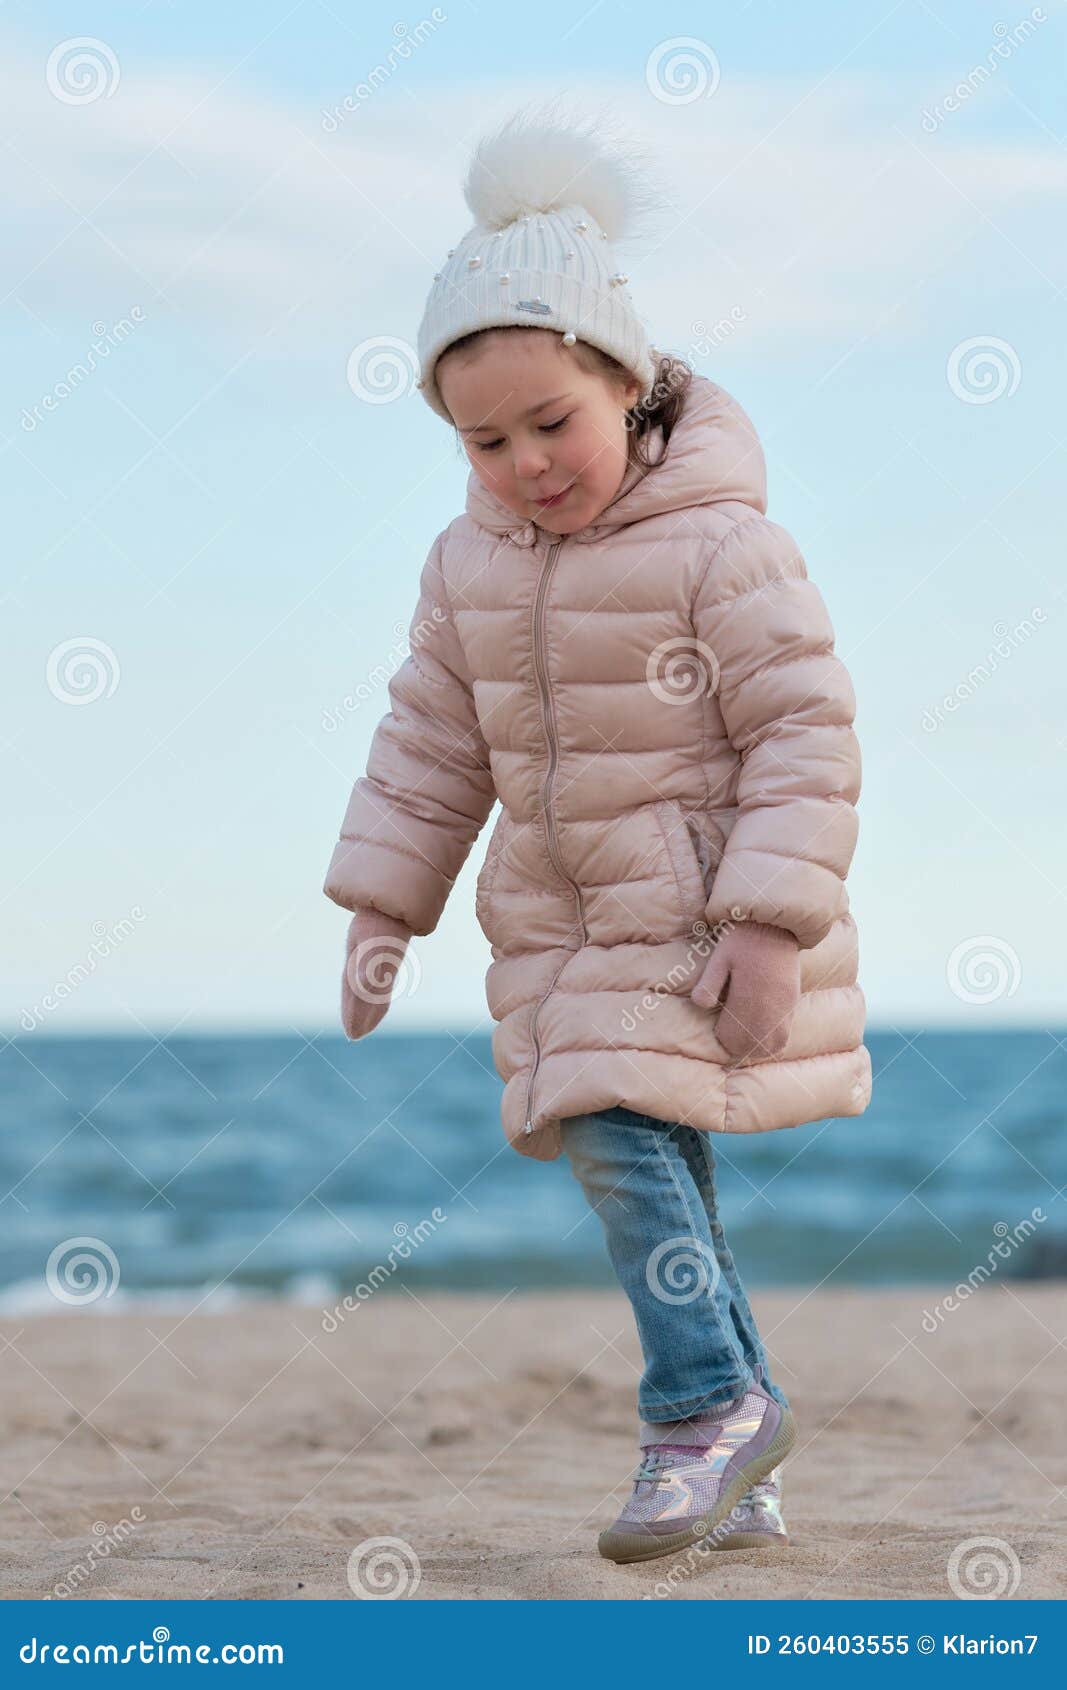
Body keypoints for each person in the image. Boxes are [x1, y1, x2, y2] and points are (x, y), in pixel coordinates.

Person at [323, 103, 871, 1565]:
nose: (525, 464)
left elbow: (805, 734)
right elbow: (432, 740)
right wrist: (385, 907)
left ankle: (698, 1405)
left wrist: (768, 920)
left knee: (622, 1142)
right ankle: (746, 1449)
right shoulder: (468, 566)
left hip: (695, 921)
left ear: (625, 383)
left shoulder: (721, 544)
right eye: (484, 439)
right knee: (658, 1169)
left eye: (551, 422)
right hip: (559, 928)